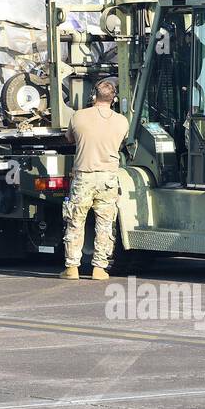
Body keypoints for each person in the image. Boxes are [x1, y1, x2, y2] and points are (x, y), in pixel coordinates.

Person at [60, 79, 129, 281]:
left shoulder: (78, 116)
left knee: (75, 221)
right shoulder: (122, 121)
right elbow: (123, 141)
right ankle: (100, 268)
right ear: (113, 99)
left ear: (93, 96)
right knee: (106, 224)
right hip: (108, 178)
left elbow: (69, 138)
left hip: (84, 177)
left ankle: (72, 268)